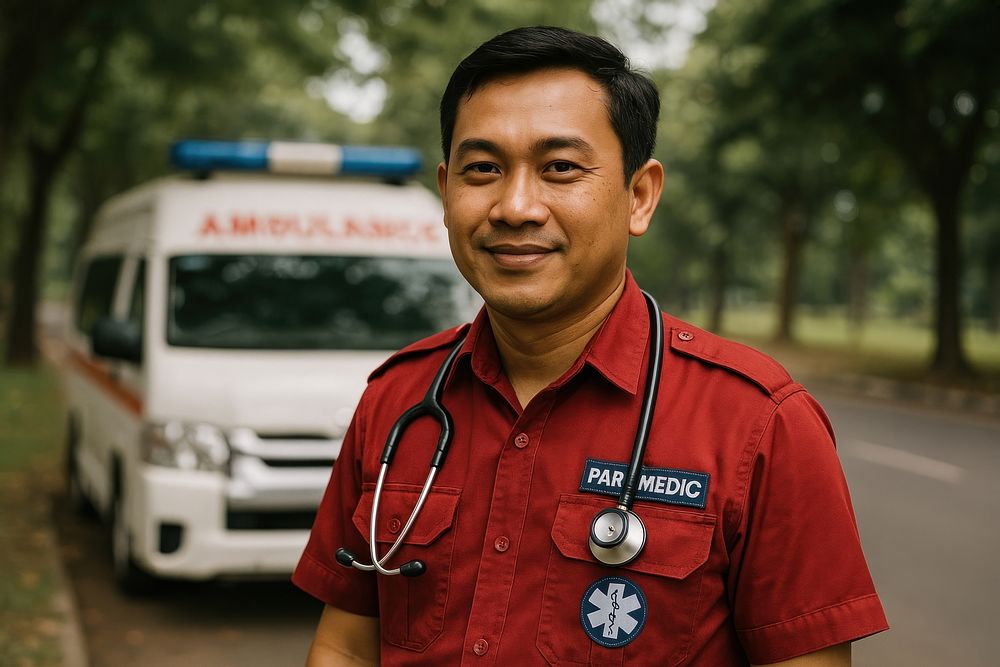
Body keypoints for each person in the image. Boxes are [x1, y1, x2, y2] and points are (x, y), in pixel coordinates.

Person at [293, 26, 888, 666]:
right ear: (446, 192)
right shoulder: (397, 400)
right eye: (483, 169)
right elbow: (345, 648)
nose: (515, 206)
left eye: (561, 169)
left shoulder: (760, 423)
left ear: (639, 196)